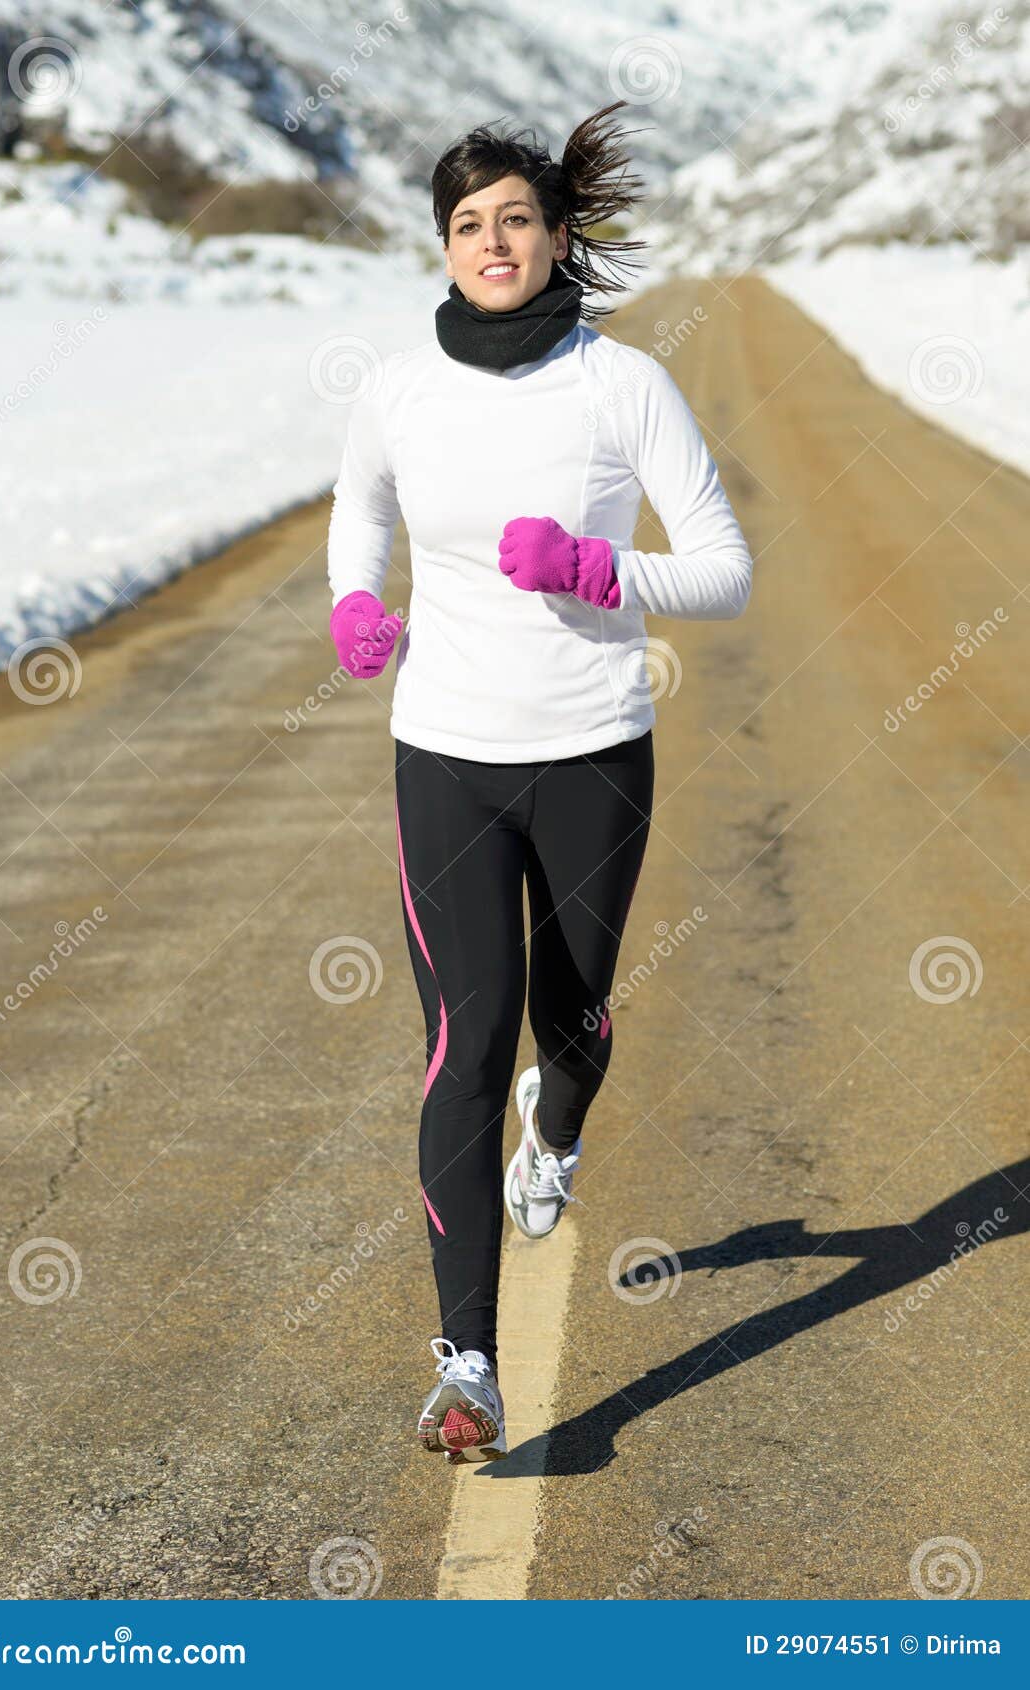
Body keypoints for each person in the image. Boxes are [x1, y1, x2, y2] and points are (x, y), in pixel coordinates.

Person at [325, 100, 753, 1464]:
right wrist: (354, 598)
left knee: (570, 1022)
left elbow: (727, 566)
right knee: (468, 1034)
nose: (493, 241)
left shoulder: (619, 384)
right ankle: (469, 1365)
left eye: (516, 218)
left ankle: (553, 1129)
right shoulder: (397, 388)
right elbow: (364, 508)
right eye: (467, 224)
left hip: (591, 750)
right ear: (442, 247)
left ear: (560, 235)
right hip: (445, 750)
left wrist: (597, 569)